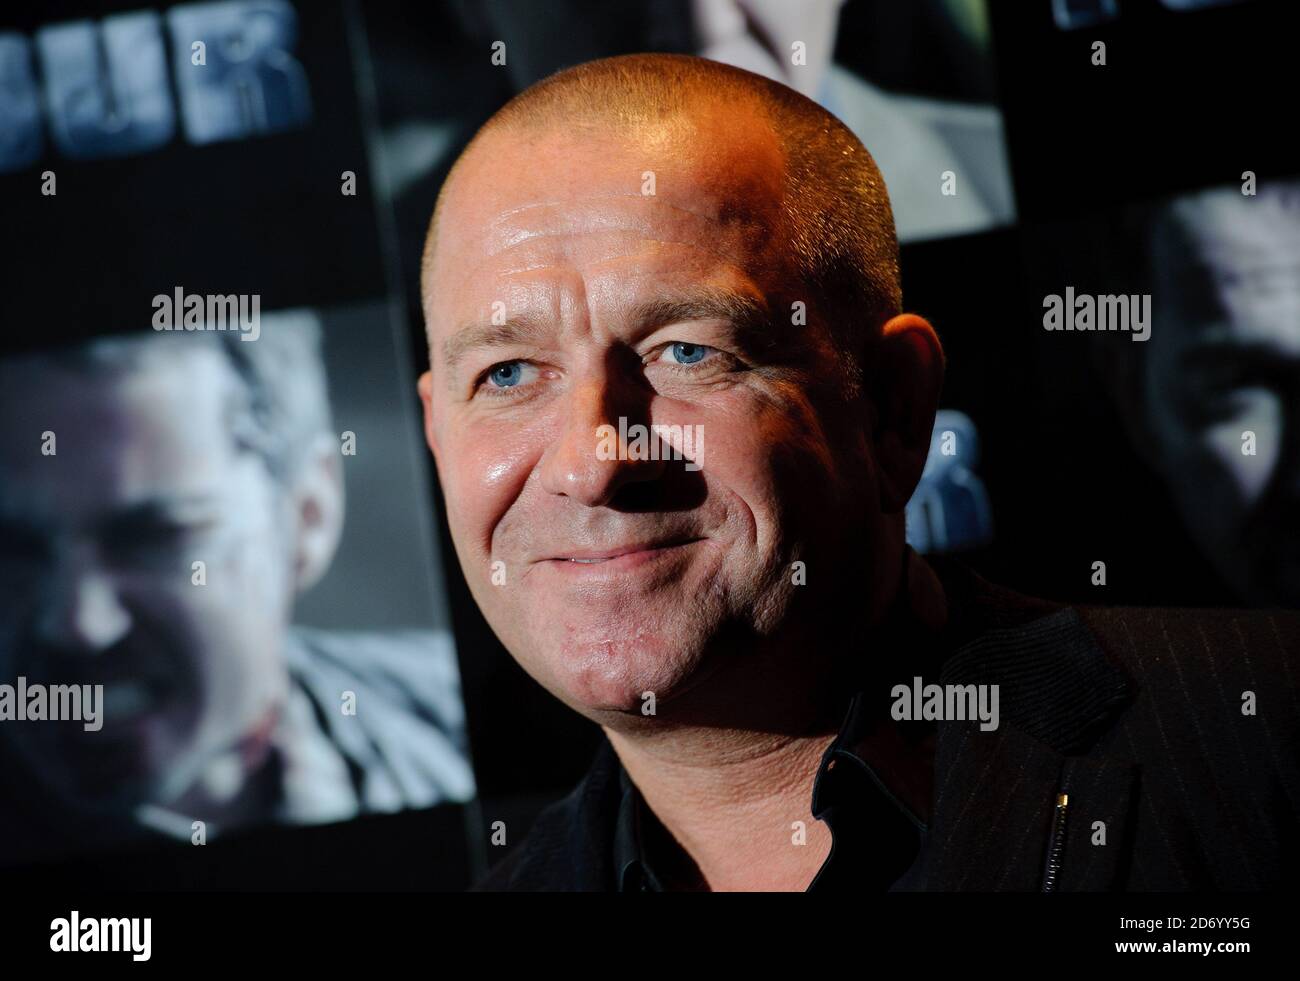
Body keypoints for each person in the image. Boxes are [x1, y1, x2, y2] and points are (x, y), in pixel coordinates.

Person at [417, 53, 1298, 891]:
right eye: (505, 374)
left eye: (687, 351)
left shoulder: (1260, 741)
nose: (592, 464)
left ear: (892, 409)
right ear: (436, 429)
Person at [0, 313, 474, 865]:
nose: (78, 624)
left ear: (308, 518)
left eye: (158, 538)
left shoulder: (473, 714)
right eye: (14, 549)